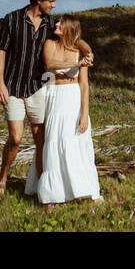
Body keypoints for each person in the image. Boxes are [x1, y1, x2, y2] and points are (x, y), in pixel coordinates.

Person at [0, 0, 93, 197]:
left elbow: (73, 36)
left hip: (38, 87)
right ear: (39, 0)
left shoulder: (49, 23)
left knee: (41, 141)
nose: (54, 6)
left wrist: (86, 51)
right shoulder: (12, 19)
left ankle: (42, 187)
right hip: (13, 86)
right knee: (16, 137)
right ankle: (2, 179)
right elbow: (1, 51)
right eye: (51, 1)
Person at [25, 15, 101, 204]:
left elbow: (84, 86)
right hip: (54, 95)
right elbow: (50, 64)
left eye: (60, 23)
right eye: (57, 22)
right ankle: (52, 193)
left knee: (74, 141)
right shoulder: (50, 44)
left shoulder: (80, 50)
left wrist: (84, 114)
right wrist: (75, 64)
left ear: (69, 28)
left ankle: (80, 189)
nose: (56, 25)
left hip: (72, 97)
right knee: (54, 141)